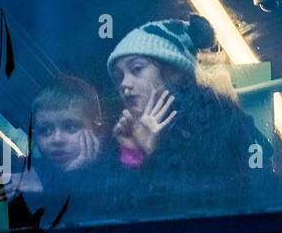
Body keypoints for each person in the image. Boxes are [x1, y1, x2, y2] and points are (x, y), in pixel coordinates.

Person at [106, 15, 271, 217]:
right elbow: (123, 222)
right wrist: (132, 154)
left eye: (137, 69)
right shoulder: (130, 135)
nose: (125, 83)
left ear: (172, 71)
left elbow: (200, 209)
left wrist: (154, 152)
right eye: (119, 76)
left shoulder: (217, 121)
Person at [15, 75, 118, 226]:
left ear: (97, 129)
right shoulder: (31, 176)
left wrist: (79, 171)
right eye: (46, 130)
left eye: (71, 127)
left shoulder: (114, 172)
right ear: (35, 136)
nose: (57, 139)